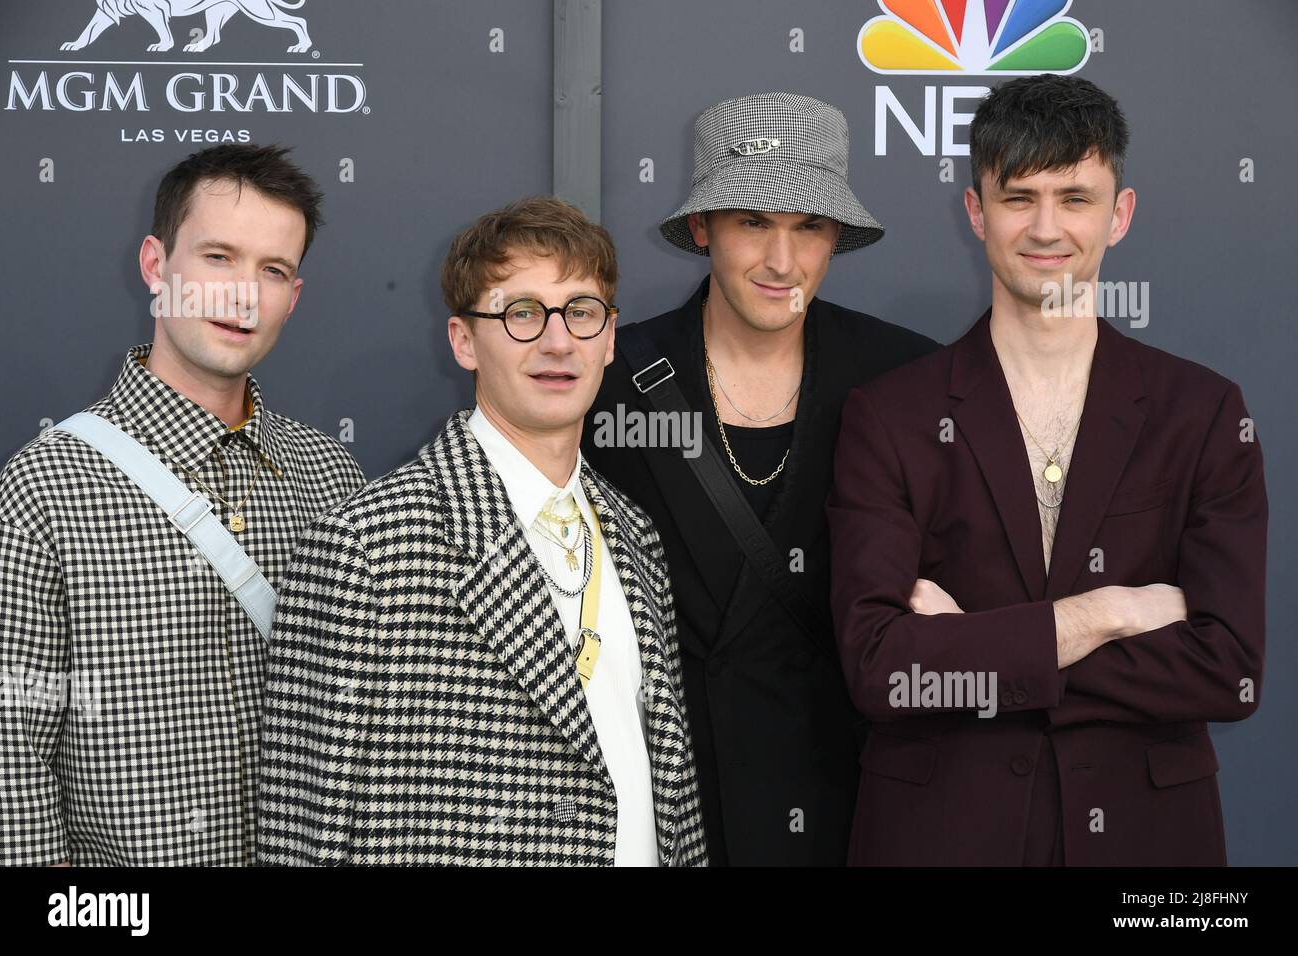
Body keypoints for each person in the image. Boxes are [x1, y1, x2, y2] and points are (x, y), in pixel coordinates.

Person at [828, 75, 1266, 866]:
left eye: (1075, 197)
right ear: (976, 213)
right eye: (1018, 197)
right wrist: (1102, 614)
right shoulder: (888, 414)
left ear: (1119, 215)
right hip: (940, 837)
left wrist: (974, 647)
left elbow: (1227, 670)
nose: (1046, 227)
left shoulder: (1202, 412)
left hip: (1149, 847)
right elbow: (882, 668)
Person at [256, 197, 707, 865]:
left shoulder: (634, 533)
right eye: (521, 312)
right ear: (463, 340)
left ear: (609, 338)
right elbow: (303, 829)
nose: (558, 341)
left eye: (580, 312)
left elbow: (668, 787)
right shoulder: (366, 546)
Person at [582, 91, 938, 865]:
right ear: (704, 228)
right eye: (753, 222)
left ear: (834, 236)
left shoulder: (906, 375)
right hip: (674, 802)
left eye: (807, 226)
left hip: (855, 793)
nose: (782, 262)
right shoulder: (608, 375)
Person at [0, 143, 366, 866]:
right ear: (154, 266)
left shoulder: (332, 478)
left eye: (273, 271)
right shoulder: (45, 487)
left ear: (294, 296)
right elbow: (11, 749)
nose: (243, 294)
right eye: (218, 258)